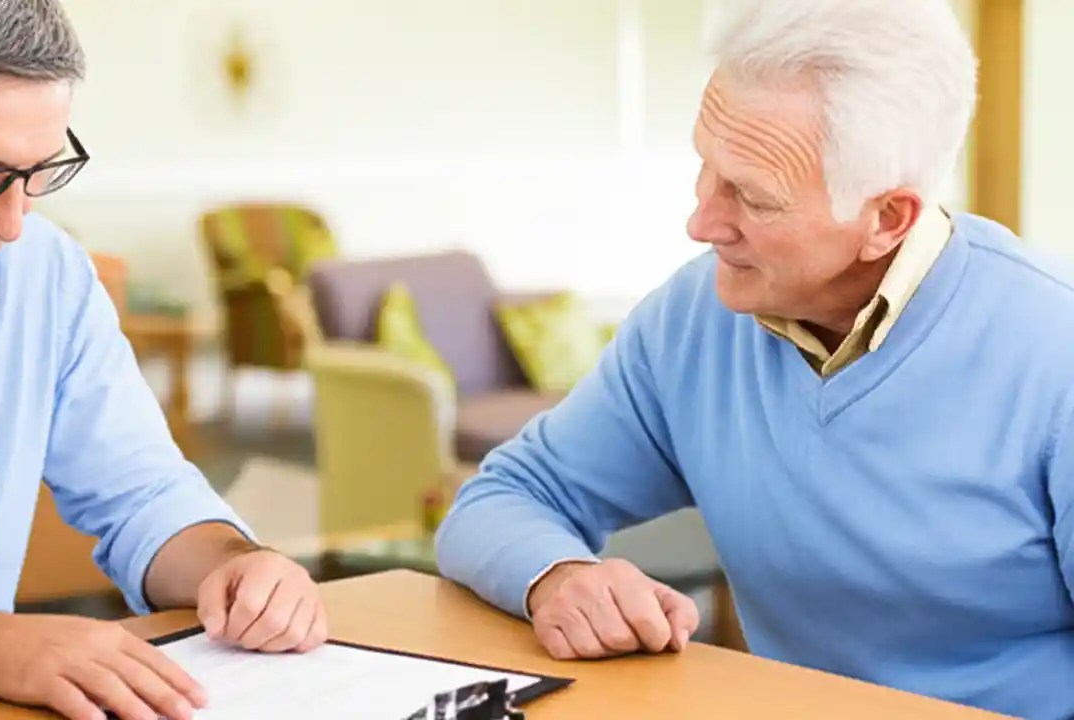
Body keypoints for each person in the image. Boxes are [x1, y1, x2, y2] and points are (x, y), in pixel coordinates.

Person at [436, 0, 1074, 718]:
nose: (701, 221)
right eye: (707, 169)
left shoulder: (1055, 351)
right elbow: (501, 499)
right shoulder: (694, 320)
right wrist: (557, 574)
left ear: (887, 219)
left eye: (752, 196)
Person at [0, 2, 326, 720]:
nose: (11, 223)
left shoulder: (49, 275)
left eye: (39, 172)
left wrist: (237, 567)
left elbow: (142, 495)